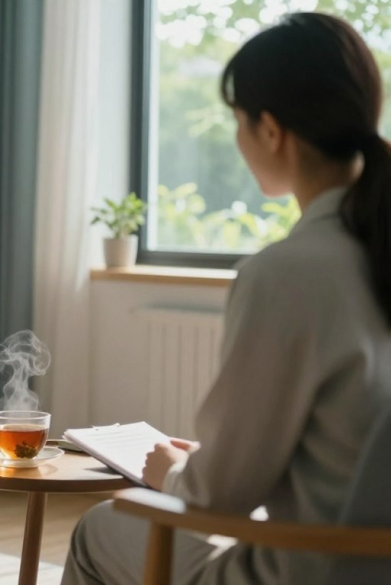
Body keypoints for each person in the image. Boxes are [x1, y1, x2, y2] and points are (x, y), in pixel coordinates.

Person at [63, 12, 391, 585]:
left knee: (101, 526)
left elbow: (218, 498)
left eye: (238, 121)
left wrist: (173, 471)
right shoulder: (369, 251)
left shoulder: (289, 274)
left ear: (271, 130)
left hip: (302, 570)